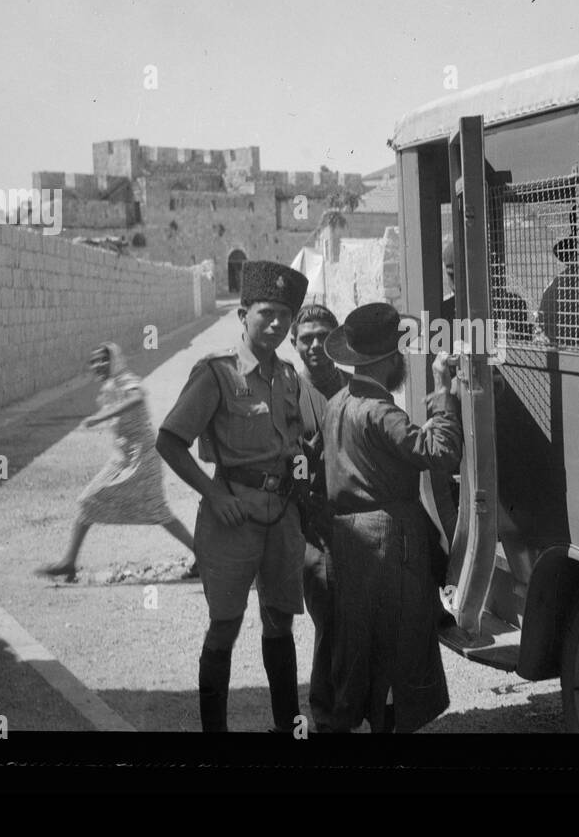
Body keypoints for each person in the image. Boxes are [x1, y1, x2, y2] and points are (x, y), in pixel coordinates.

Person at [155, 261, 310, 733]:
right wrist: (212, 494)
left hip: (282, 515)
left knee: (280, 621)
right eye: (267, 313)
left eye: (286, 315)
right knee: (225, 624)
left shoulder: (288, 377)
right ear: (243, 314)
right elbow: (169, 440)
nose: (278, 324)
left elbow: (296, 445)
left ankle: (287, 726)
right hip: (233, 515)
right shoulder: (218, 374)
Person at [322, 303, 463, 733]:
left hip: (349, 541)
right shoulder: (382, 413)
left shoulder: (338, 403)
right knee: (397, 645)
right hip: (388, 545)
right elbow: (441, 454)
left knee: (364, 642)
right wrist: (443, 394)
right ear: (386, 361)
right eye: (399, 353)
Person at [36, 342, 195, 581]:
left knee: (157, 511)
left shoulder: (126, 379)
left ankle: (204, 556)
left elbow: (137, 398)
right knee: (90, 502)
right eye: (94, 361)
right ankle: (68, 562)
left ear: (115, 360)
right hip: (124, 458)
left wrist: (103, 416)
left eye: (104, 359)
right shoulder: (110, 386)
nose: (98, 365)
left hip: (142, 458)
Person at [289, 303, 351, 733]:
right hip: (313, 528)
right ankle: (327, 715)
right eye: (305, 337)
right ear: (294, 343)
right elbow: (289, 465)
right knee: (328, 617)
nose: (314, 345)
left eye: (322, 336)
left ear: (338, 339)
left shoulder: (356, 388)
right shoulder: (287, 395)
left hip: (360, 521)